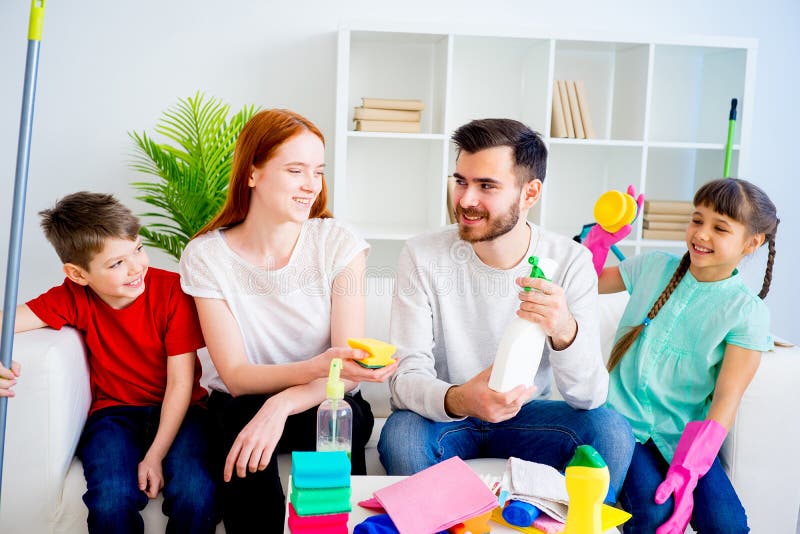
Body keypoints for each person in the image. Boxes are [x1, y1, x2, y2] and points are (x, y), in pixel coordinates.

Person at [377, 118, 634, 499]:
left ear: (529, 193)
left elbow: (589, 398)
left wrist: (564, 328)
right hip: (448, 414)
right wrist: (460, 398)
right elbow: (404, 379)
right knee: (402, 435)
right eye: (461, 181)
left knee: (610, 429)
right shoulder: (422, 254)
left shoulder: (570, 261)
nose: (465, 199)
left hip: (528, 418)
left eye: (486, 186)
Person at [179, 108, 396, 532]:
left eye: (317, 171)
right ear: (253, 173)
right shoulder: (206, 256)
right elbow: (237, 376)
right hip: (241, 402)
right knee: (241, 431)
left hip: (323, 398)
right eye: (295, 170)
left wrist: (282, 403)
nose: (310, 185)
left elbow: (346, 375)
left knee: (338, 423)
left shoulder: (339, 244)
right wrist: (298, 380)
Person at [0, 192, 217, 533]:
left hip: (183, 410)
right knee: (110, 499)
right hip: (113, 414)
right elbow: (6, 321)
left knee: (196, 494)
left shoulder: (172, 291)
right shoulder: (71, 297)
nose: (135, 268)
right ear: (78, 274)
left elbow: (180, 383)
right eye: (117, 263)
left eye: (138, 249)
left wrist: (155, 455)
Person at [588, 178, 778, 533]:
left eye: (720, 227)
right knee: (652, 515)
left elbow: (727, 396)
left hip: (684, 436)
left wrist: (692, 465)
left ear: (752, 243)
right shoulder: (654, 267)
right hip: (622, 424)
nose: (701, 234)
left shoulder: (746, 312)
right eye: (697, 219)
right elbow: (585, 284)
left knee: (728, 524)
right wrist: (599, 242)